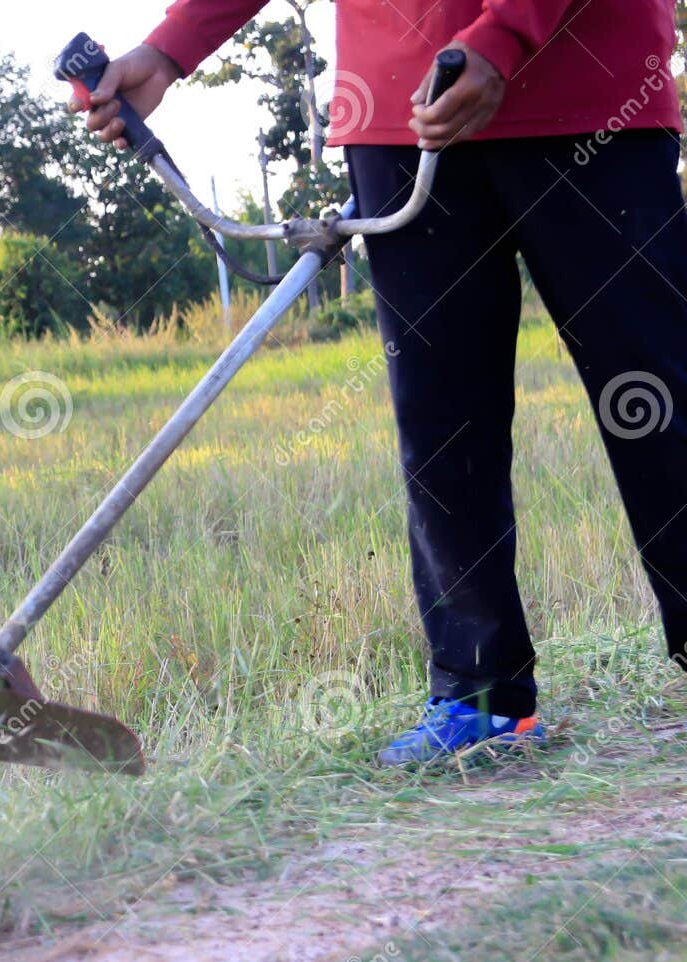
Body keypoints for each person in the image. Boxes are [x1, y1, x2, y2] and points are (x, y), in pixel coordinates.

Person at [74, 1, 687, 765]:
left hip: (590, 93)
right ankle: (480, 695)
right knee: (440, 418)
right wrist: (169, 50)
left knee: (654, 389)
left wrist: (503, 35)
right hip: (398, 114)